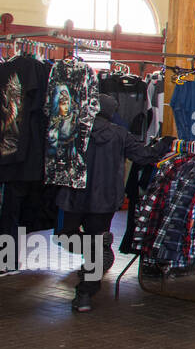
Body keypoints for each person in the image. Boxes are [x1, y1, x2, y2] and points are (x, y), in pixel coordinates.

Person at [54, 94, 172, 313]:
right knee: (97, 242)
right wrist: (164, 144)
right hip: (104, 199)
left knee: (65, 234)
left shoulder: (73, 130)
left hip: (74, 196)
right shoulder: (119, 134)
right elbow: (144, 156)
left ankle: (91, 269)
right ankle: (85, 293)